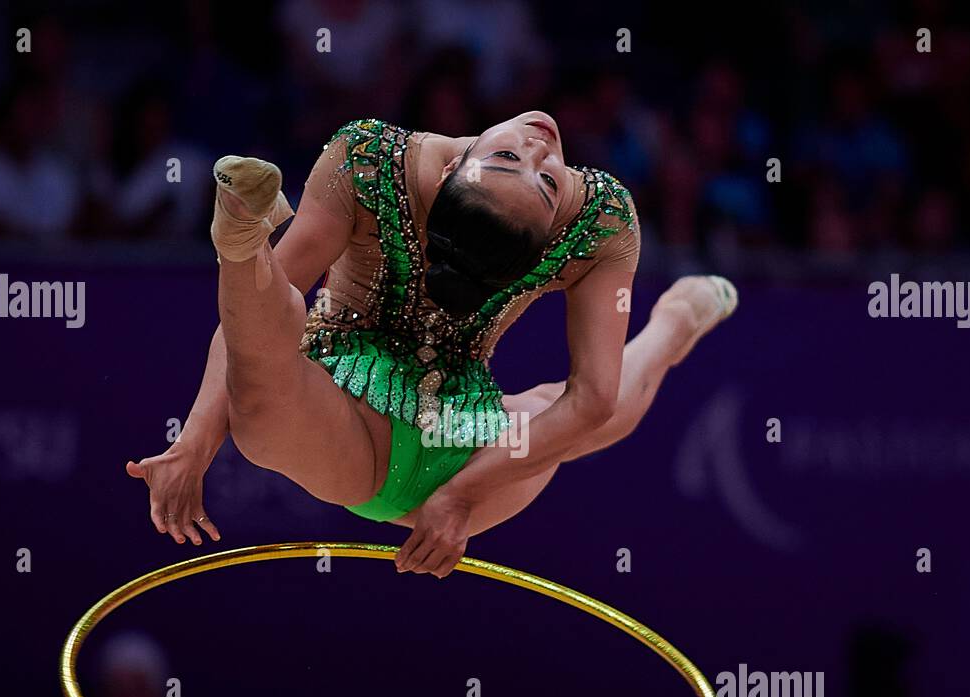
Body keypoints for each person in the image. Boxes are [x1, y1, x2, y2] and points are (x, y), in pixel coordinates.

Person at [126, 112, 737, 577]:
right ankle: (241, 243)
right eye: (506, 157)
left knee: (575, 411)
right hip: (340, 413)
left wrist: (461, 495)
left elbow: (592, 398)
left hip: (467, 437)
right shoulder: (365, 160)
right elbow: (246, 335)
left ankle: (672, 325)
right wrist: (194, 443)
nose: (539, 147)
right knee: (258, 399)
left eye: (550, 184)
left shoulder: (599, 222)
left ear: (552, 236)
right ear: (451, 168)